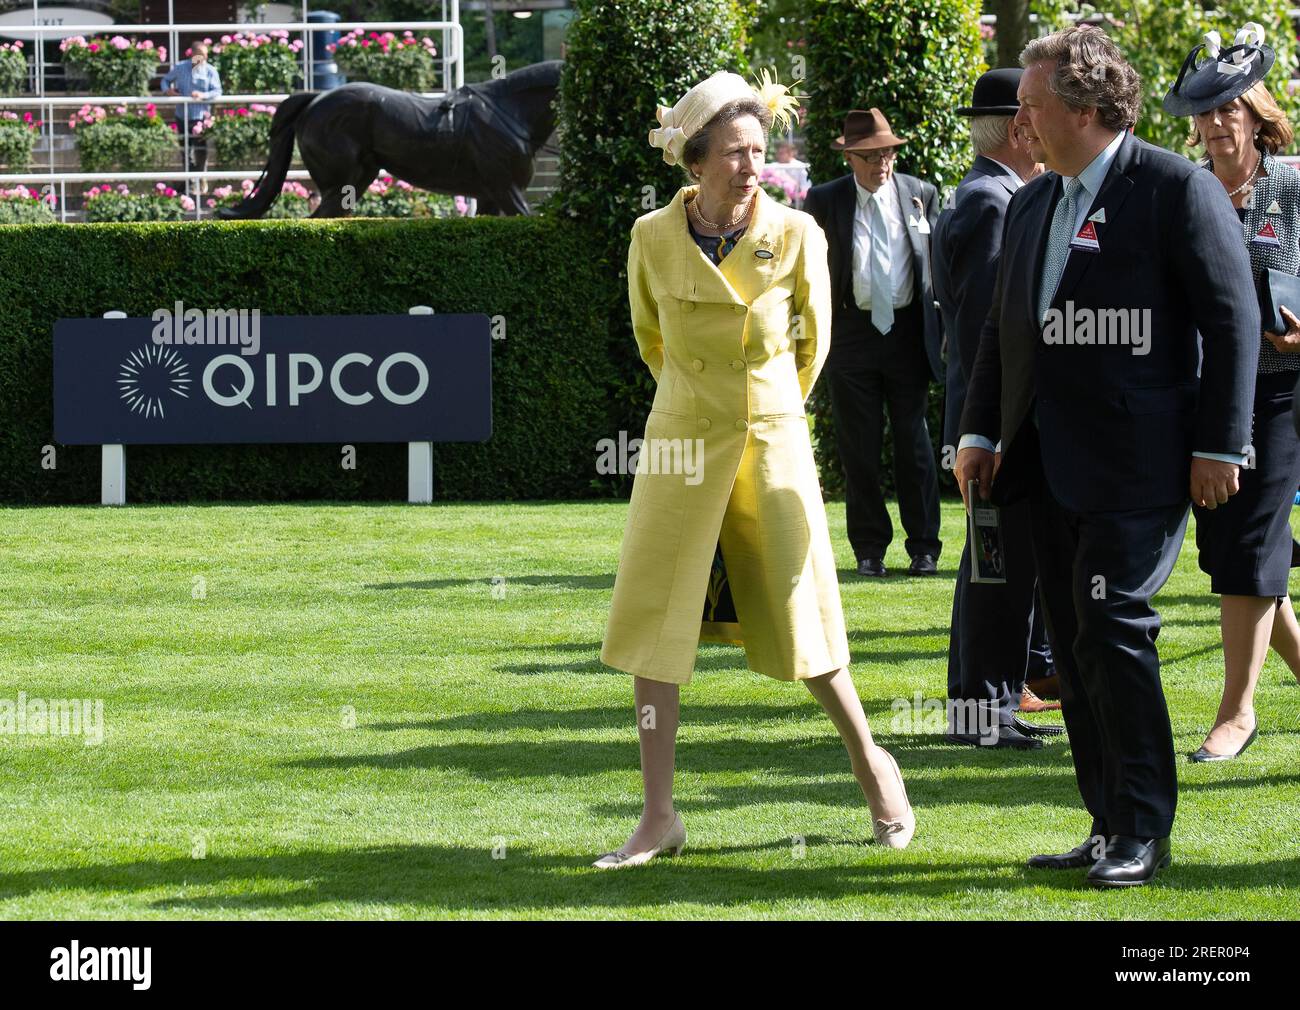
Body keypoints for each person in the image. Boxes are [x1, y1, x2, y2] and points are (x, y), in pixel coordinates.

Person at [955, 26, 1259, 887]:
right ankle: (1106, 823)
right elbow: (999, 330)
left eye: (1033, 106)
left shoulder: (1173, 187)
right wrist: (979, 433)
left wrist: (1219, 442)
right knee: (1078, 644)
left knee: (1113, 629)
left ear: (1084, 110)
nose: (1020, 122)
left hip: (1140, 465)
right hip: (1043, 466)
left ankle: (1142, 828)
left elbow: (1231, 321)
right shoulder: (1032, 202)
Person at [597, 71, 914, 868]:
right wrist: (697, 404)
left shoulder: (800, 232)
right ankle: (658, 814)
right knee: (652, 633)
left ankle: (875, 768)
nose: (750, 166)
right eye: (734, 152)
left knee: (808, 627)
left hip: (770, 448)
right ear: (694, 158)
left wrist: (765, 411)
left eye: (758, 150)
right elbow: (651, 340)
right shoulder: (649, 237)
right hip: (677, 449)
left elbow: (814, 346)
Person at [1163, 24, 1300, 761]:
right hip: (1205, 395)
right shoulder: (1183, 189)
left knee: (1250, 546)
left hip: (1283, 395)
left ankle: (1236, 713)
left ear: (1255, 114)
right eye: (1207, 112)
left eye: (1231, 110)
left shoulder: (1293, 183)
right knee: (1231, 553)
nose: (1218, 124)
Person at [932, 68, 1061, 750]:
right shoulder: (993, 202)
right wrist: (998, 427)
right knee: (996, 566)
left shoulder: (991, 194)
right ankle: (982, 709)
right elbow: (993, 327)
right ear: (1019, 128)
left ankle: (989, 700)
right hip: (999, 425)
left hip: (995, 422)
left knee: (996, 562)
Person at [803, 109, 944, 578]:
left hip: (906, 334)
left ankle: (924, 547)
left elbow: (936, 266)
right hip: (851, 336)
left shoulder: (920, 194)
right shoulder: (823, 201)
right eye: (870, 155)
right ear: (849, 158)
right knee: (858, 447)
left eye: (887, 153)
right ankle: (869, 550)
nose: (881, 162)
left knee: (915, 444)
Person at [160, 41, 222, 193]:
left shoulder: (210, 70)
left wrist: (203, 95)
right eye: (201, 55)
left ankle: (200, 179)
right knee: (185, 151)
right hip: (183, 116)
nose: (204, 58)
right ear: (193, 54)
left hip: (201, 118)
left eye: (206, 55)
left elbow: (217, 91)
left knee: (201, 151)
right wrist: (167, 91)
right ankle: (192, 180)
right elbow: (165, 80)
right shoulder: (181, 67)